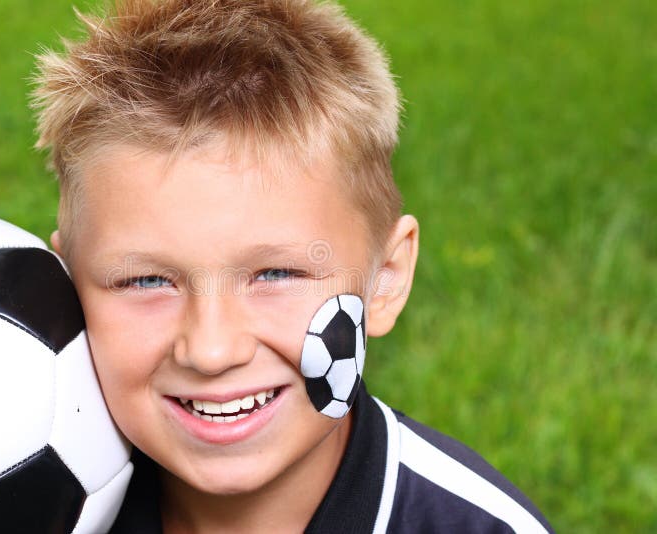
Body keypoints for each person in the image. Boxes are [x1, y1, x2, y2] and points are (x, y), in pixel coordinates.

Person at [32, 0, 552, 532]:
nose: (211, 351)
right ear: (62, 288)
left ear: (384, 281)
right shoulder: (27, 512)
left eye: (276, 275)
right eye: (146, 280)